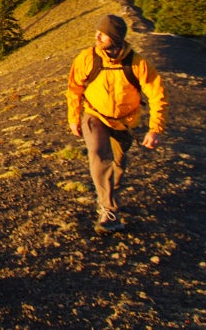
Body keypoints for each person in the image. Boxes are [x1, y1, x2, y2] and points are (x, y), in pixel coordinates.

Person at [65, 14, 169, 233]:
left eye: (102, 34)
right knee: (98, 154)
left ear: (114, 37)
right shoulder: (88, 58)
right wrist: (74, 118)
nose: (97, 36)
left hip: (125, 122)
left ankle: (108, 193)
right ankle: (109, 210)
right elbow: (74, 88)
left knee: (118, 165)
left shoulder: (137, 63)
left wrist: (155, 128)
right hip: (95, 115)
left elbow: (157, 94)